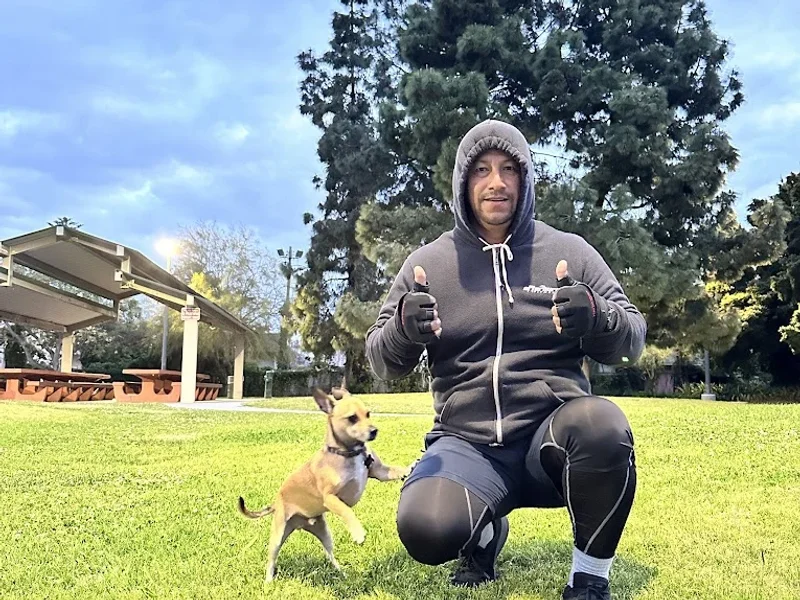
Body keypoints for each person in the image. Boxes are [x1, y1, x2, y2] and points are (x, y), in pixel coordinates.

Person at [365, 119, 646, 600]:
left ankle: (589, 577)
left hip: (551, 444)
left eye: (509, 170)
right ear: (462, 182)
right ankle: (484, 533)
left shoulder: (569, 251)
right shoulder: (429, 262)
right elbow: (380, 360)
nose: (496, 182)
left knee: (602, 425)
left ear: (525, 179)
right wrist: (402, 331)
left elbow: (632, 337)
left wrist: (596, 317)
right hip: (467, 445)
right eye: (481, 171)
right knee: (426, 528)